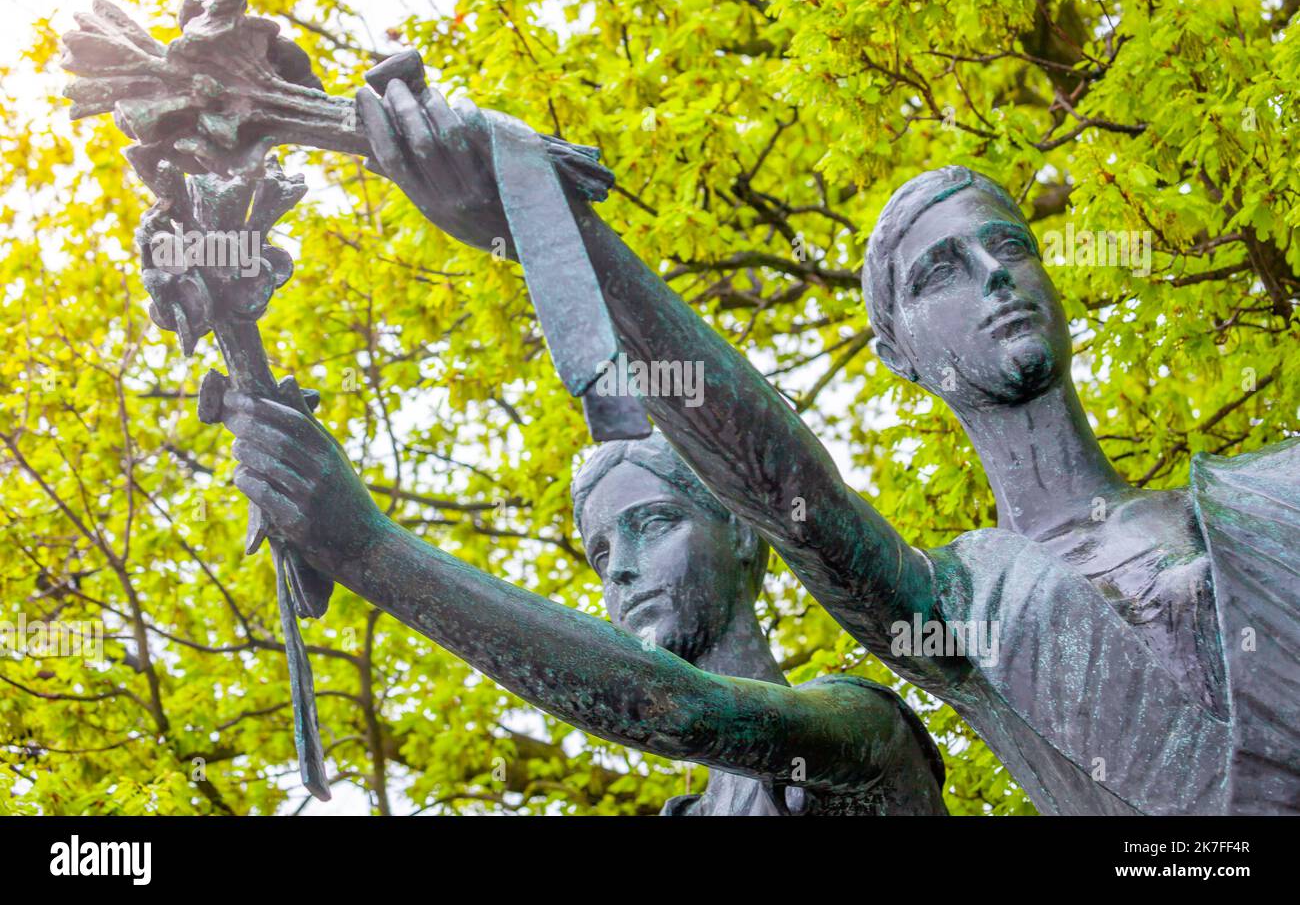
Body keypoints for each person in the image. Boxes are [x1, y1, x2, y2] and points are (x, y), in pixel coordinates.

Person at [304, 71, 1297, 815]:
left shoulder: (1266, 493)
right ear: (899, 353)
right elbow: (782, 484)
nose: (995, 277)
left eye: (1012, 247)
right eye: (940, 270)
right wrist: (548, 230)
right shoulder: (957, 605)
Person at [216, 389, 947, 814]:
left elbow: (678, 707)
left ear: (746, 537)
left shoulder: (859, 732)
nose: (622, 572)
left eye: (653, 524)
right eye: (602, 554)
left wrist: (369, 552)